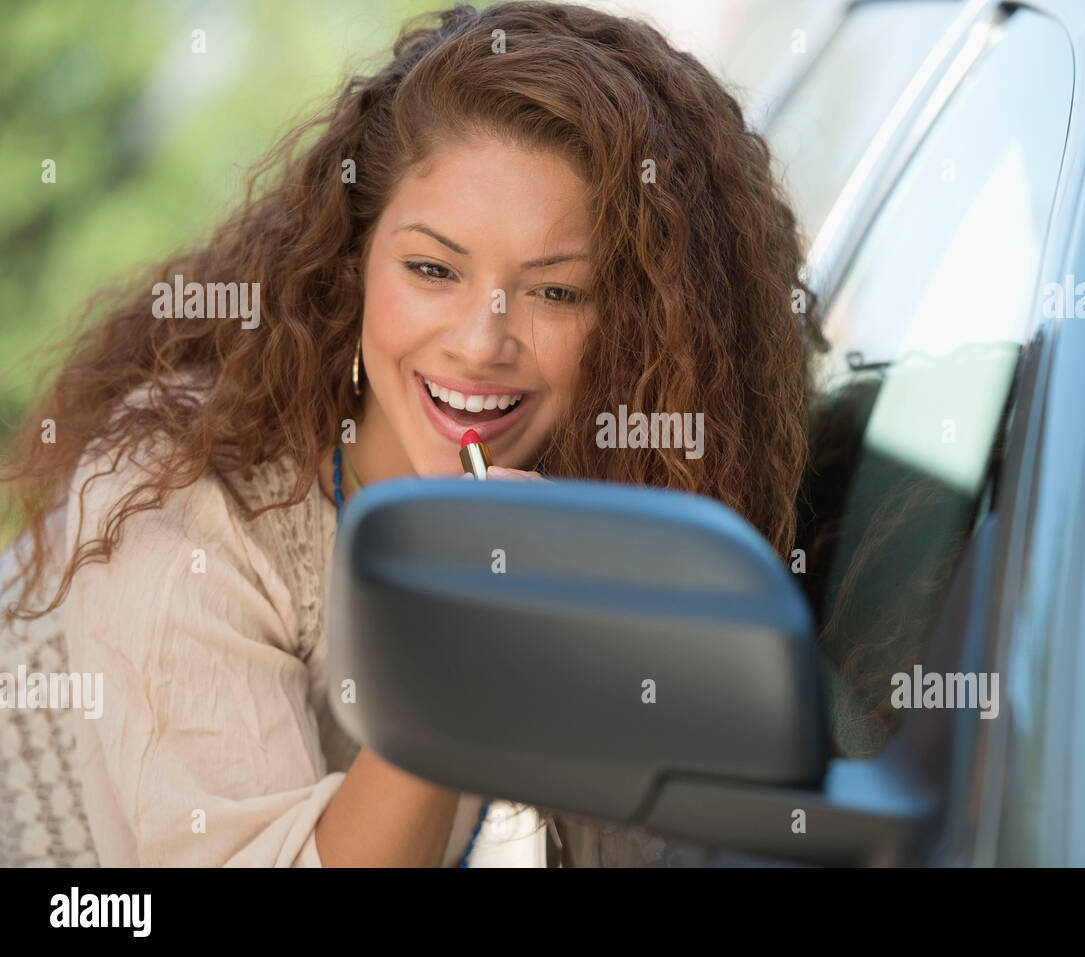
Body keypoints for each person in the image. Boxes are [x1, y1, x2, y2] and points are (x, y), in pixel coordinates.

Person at [0, 0, 826, 867]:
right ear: (353, 264)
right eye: (433, 270)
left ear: (638, 327)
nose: (480, 342)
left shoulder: (588, 502)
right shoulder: (177, 497)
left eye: (556, 291)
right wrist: (449, 644)